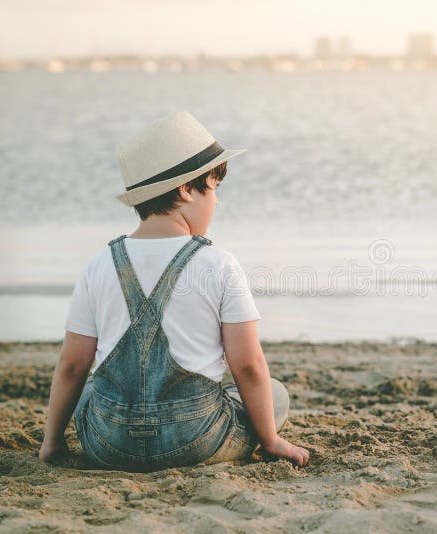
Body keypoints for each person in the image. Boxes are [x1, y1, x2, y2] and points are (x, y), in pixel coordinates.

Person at [38, 111, 310, 471]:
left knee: (89, 390)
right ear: (185, 190)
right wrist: (271, 441)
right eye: (213, 189)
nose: (217, 202)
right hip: (196, 437)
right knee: (274, 393)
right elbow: (248, 366)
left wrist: (52, 443)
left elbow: (72, 366)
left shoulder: (99, 265)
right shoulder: (219, 264)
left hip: (109, 443)